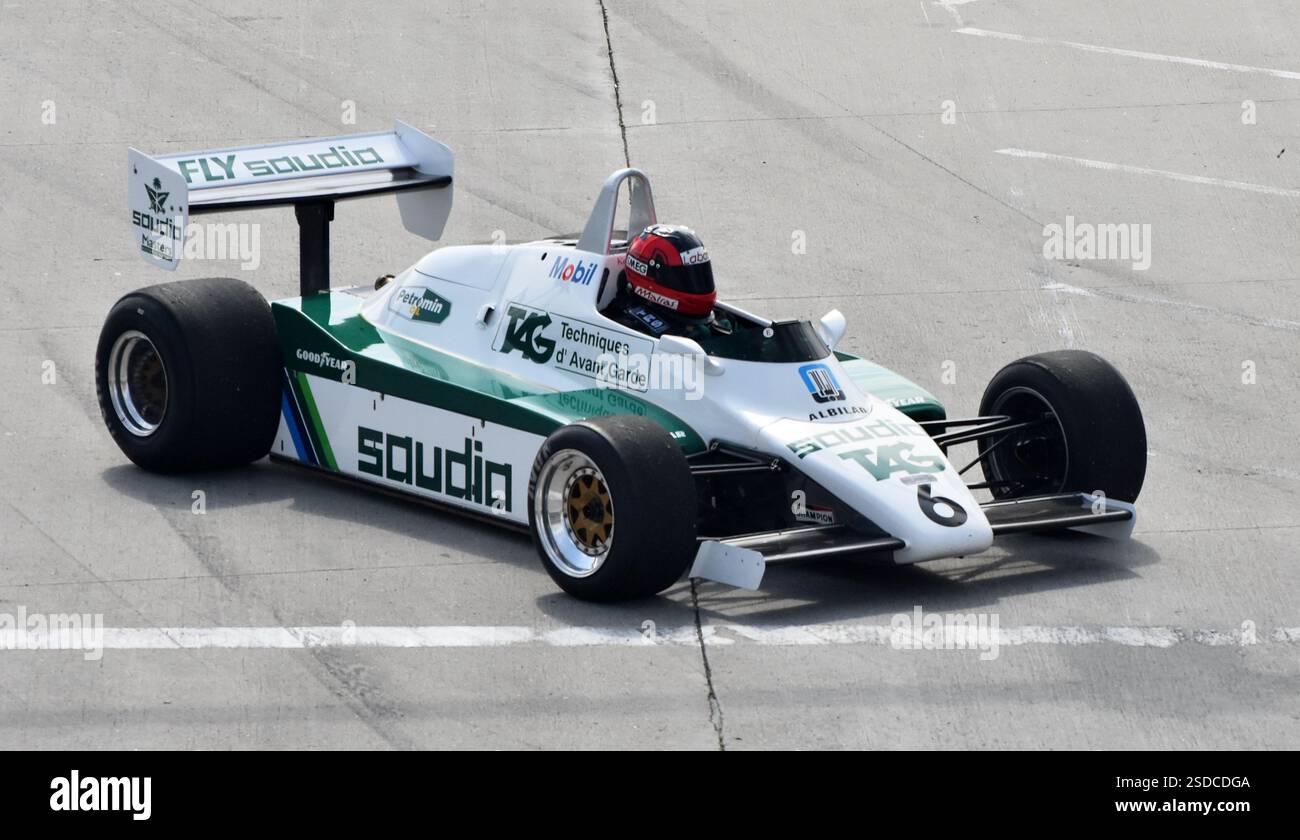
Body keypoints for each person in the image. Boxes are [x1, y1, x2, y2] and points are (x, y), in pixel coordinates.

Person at [605, 224, 732, 340]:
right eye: (684, 278)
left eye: (700, 273)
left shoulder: (719, 319)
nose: (697, 284)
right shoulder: (626, 327)